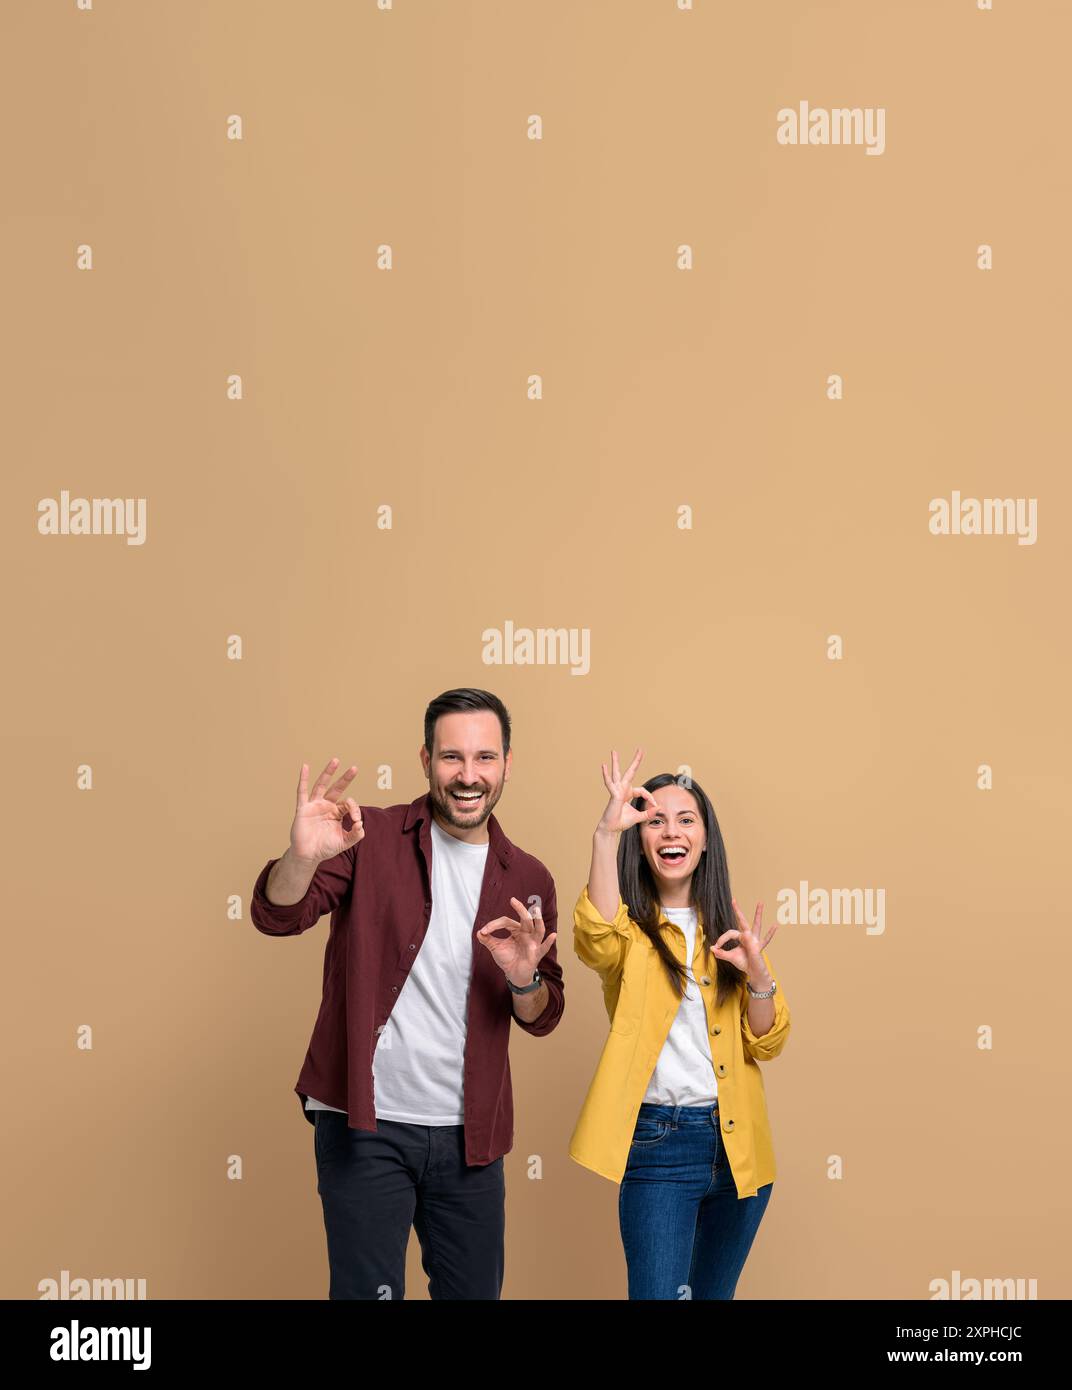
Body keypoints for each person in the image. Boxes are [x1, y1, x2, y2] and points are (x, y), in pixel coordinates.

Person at [250, 688, 564, 1300]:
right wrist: (301, 857)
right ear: (425, 760)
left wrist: (524, 978)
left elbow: (543, 1014)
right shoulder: (368, 835)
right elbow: (277, 914)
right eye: (452, 757)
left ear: (506, 765)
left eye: (484, 758)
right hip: (365, 1125)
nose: (468, 776)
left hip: (470, 1138)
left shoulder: (527, 876)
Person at [569, 749, 790, 1300]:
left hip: (738, 1147)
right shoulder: (629, 931)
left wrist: (758, 972)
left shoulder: (732, 932)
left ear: (706, 838)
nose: (671, 831)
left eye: (686, 819)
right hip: (658, 1145)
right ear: (640, 840)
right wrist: (604, 834)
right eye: (655, 820)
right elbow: (593, 937)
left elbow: (768, 1039)